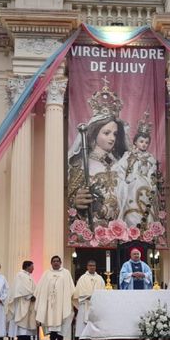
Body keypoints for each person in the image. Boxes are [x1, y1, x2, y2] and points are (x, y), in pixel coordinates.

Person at [67, 79, 130, 229]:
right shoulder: (81, 164)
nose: (112, 138)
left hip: (120, 229)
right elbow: (71, 198)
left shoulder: (119, 162)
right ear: (95, 134)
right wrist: (76, 201)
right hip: (92, 228)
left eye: (115, 134)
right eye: (107, 133)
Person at [118, 112, 158, 226]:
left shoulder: (150, 158)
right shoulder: (129, 154)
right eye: (141, 141)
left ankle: (144, 226)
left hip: (145, 185)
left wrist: (151, 181)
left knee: (145, 206)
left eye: (146, 142)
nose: (144, 144)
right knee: (131, 203)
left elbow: (152, 172)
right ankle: (130, 225)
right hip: (131, 184)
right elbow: (121, 167)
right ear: (135, 142)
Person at [35, 256, 75, 340]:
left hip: (62, 301)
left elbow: (71, 288)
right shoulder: (46, 273)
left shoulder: (66, 273)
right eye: (54, 261)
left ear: (60, 263)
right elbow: (40, 288)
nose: (56, 263)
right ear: (51, 263)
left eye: (57, 261)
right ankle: (52, 336)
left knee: (62, 316)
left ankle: (60, 337)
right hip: (50, 302)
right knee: (51, 317)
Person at [72, 260, 105, 339]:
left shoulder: (100, 278)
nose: (92, 267)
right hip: (85, 303)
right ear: (87, 267)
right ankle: (82, 337)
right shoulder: (83, 278)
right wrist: (88, 296)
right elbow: (79, 291)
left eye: (93, 266)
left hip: (96, 305)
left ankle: (95, 337)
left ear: (95, 267)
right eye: (90, 266)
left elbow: (103, 291)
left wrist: (96, 297)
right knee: (82, 324)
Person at [8, 260, 38, 340]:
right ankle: (21, 337)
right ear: (28, 267)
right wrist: (30, 295)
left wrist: (35, 295)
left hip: (29, 302)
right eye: (32, 267)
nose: (33, 269)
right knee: (22, 319)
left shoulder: (28, 276)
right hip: (22, 301)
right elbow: (21, 288)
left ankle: (27, 337)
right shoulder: (20, 275)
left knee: (28, 320)